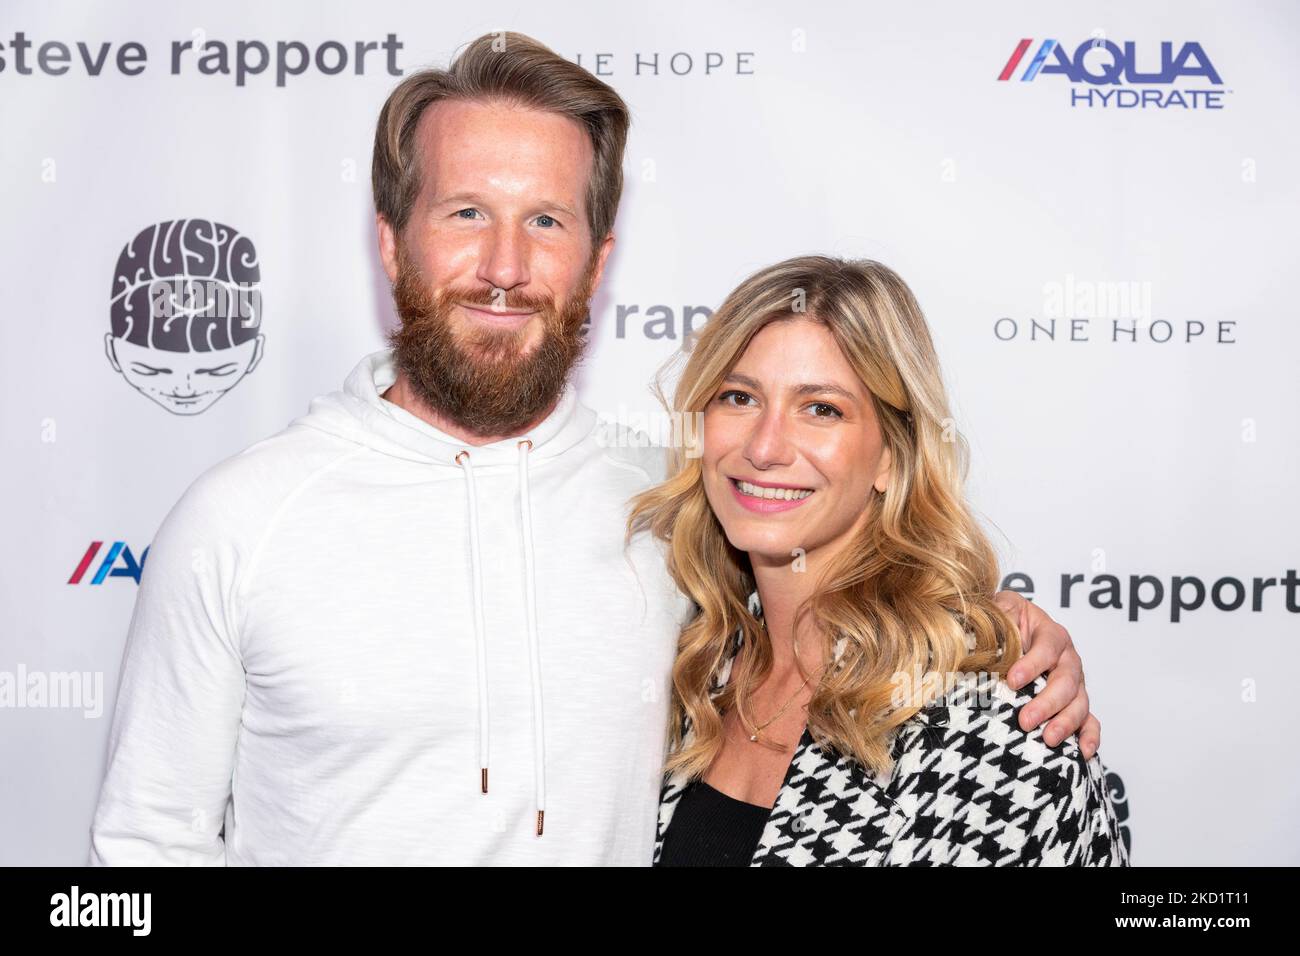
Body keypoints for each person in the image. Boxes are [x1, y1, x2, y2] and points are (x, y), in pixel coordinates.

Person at [88, 33, 1097, 866]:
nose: (504, 266)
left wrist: (997, 630)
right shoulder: (242, 520)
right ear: (393, 242)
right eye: (466, 212)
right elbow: (140, 851)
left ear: (595, 261)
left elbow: (839, 611)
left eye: (546, 220)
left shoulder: (666, 510)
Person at [633, 256, 1128, 866]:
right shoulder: (687, 668)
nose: (763, 448)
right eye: (739, 397)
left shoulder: (993, 721)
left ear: (894, 457)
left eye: (821, 409)